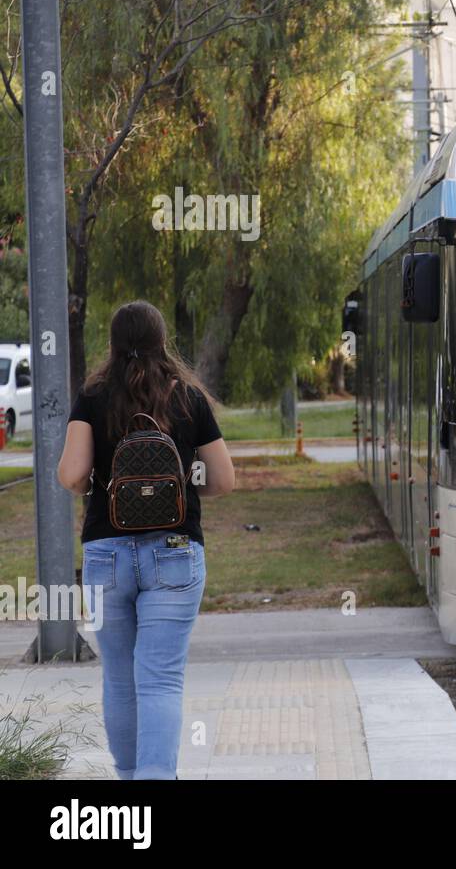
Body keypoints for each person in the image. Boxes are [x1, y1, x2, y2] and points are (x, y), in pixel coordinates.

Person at [57, 300, 235, 779]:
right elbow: (223, 480)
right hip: (175, 554)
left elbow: (72, 475)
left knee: (119, 679)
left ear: (113, 345)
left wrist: (102, 484)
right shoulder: (188, 399)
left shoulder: (93, 397)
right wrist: (175, 485)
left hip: (106, 557)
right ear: (163, 343)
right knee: (159, 680)